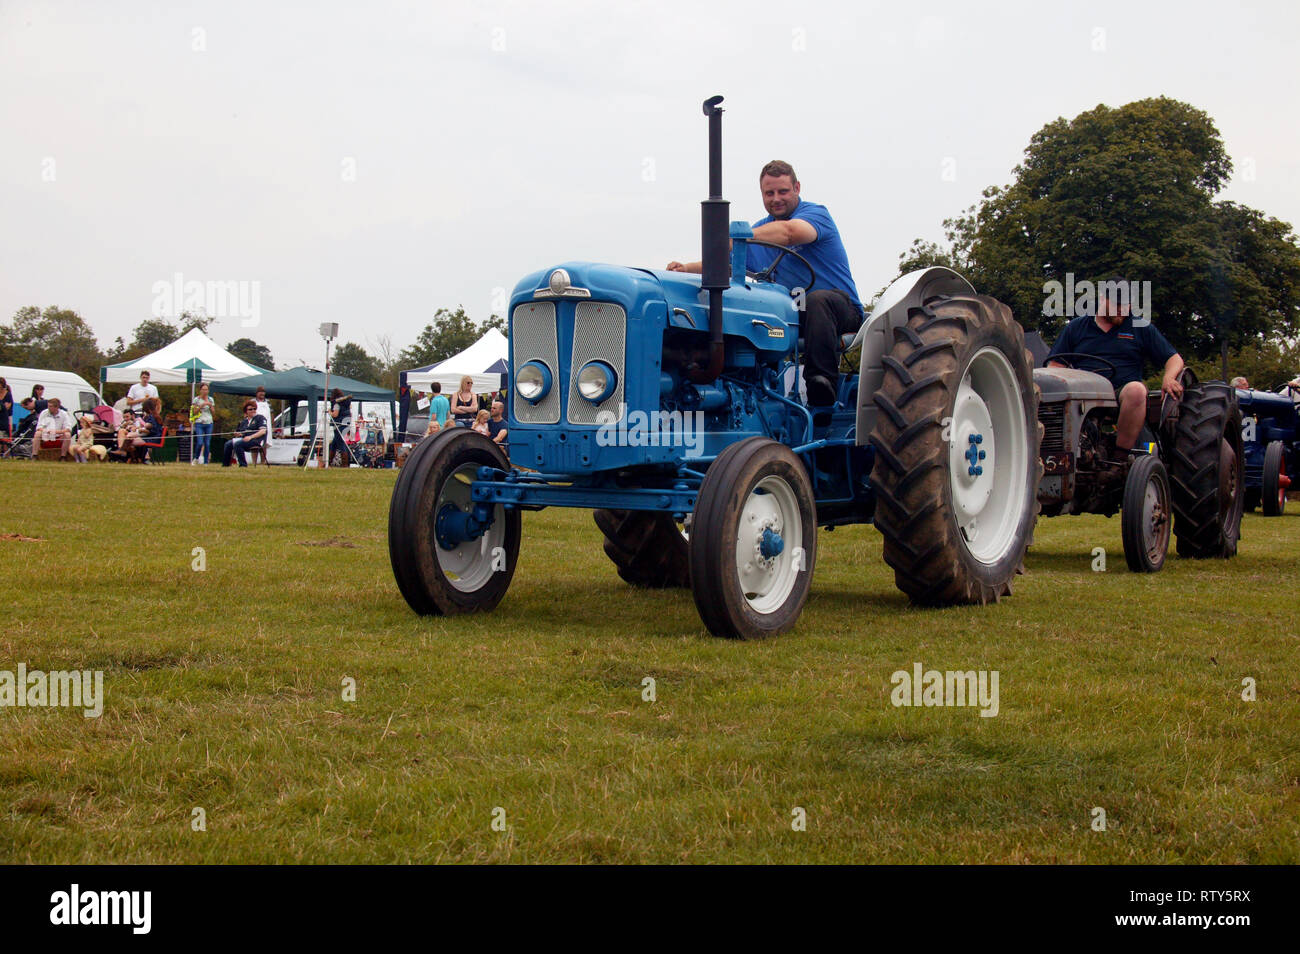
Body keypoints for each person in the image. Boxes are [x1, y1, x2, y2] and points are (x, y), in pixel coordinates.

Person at [667, 159, 863, 407]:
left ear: (797, 188)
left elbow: (790, 233)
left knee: (817, 300)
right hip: (792, 316)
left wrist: (741, 236)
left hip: (839, 312)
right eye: (769, 193)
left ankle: (821, 385)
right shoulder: (760, 232)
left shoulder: (815, 215)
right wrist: (686, 268)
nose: (776, 198)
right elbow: (726, 265)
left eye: (783, 191)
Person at [1047, 278, 1184, 452]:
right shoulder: (1076, 327)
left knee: (1136, 390)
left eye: (1126, 304)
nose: (1122, 309)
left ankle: (1121, 455)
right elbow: (1055, 366)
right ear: (1102, 298)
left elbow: (1174, 359)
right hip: (1084, 394)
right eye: (1117, 304)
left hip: (1122, 393)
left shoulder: (1139, 327)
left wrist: (1169, 378)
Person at [223, 400, 268, 467]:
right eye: (250, 409)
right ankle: (226, 465)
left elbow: (263, 431)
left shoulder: (260, 418)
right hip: (245, 440)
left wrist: (251, 437)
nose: (253, 410)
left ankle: (243, 465)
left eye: (254, 409)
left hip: (256, 440)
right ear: (246, 411)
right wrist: (239, 434)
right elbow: (242, 433)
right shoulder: (244, 422)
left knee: (238, 444)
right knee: (228, 444)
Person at [129, 397, 164, 462]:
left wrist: (143, 429)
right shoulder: (152, 416)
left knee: (129, 441)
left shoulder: (153, 417)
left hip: (152, 439)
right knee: (130, 439)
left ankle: (136, 458)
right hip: (150, 437)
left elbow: (151, 430)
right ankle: (136, 458)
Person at [190, 382, 215, 465]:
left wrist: (210, 405)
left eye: (206, 390)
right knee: (200, 442)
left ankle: (206, 461)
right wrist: (201, 405)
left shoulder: (211, 399)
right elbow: (194, 412)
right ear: (200, 390)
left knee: (207, 443)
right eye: (203, 389)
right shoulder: (196, 399)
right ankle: (196, 458)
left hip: (209, 423)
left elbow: (213, 412)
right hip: (199, 422)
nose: (205, 391)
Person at [328, 388, 352, 464]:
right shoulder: (346, 403)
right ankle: (329, 462)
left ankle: (345, 464)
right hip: (346, 424)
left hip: (338, 425)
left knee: (341, 443)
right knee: (334, 444)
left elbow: (335, 414)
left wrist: (329, 412)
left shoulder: (336, 404)